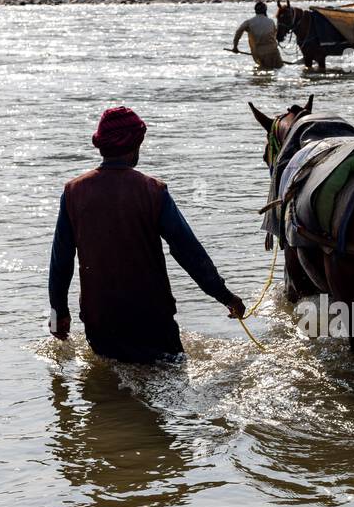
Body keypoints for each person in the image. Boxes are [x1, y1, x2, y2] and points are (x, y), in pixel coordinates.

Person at [49, 106, 244, 363]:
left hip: (101, 321)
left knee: (109, 388)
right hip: (152, 318)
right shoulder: (153, 191)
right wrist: (225, 296)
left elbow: (61, 260)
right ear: (136, 145)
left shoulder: (74, 192)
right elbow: (188, 251)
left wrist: (58, 313)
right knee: (169, 384)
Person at [232, 1, 283, 69]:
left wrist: (235, 47)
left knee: (264, 70)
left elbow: (238, 32)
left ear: (256, 11)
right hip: (274, 51)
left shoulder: (249, 22)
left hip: (259, 53)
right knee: (278, 69)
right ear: (265, 11)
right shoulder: (271, 21)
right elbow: (274, 34)